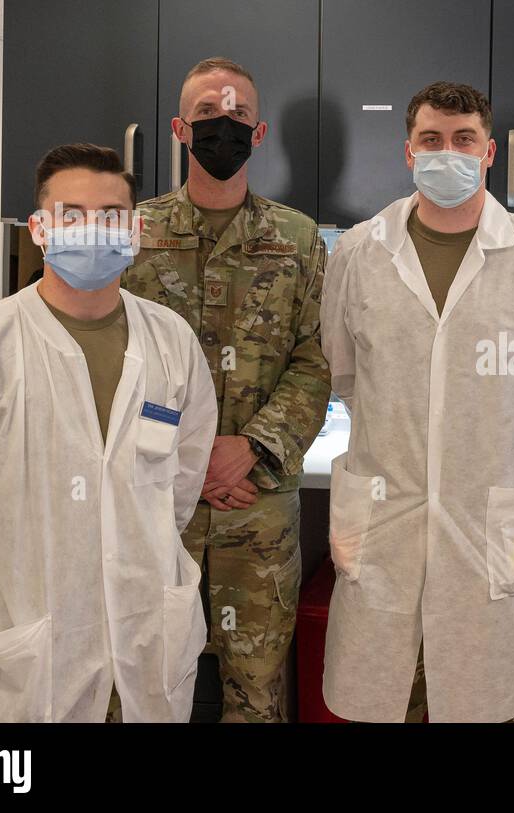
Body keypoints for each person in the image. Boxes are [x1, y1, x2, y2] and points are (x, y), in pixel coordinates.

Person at [0, 143, 216, 723]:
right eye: (72, 214)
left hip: (144, 642)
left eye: (111, 215)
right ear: (39, 228)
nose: (93, 230)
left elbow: (181, 483)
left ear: (134, 229)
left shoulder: (171, 340)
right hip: (19, 657)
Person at [319, 81, 514, 722]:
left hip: (497, 532)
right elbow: (345, 371)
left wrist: (488, 438)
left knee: (494, 701)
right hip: (387, 527)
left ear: (490, 150)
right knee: (386, 698)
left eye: (464, 139)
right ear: (408, 152)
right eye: (432, 139)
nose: (449, 152)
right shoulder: (359, 253)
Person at [122, 57, 331, 723]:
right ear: (182, 128)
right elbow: (112, 363)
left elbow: (317, 357)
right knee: (144, 686)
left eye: (238, 114)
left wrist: (254, 447)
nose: (224, 124)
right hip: (155, 504)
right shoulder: (132, 233)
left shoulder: (297, 240)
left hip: (258, 508)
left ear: (259, 132)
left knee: (257, 694)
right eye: (209, 113)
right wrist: (191, 457)